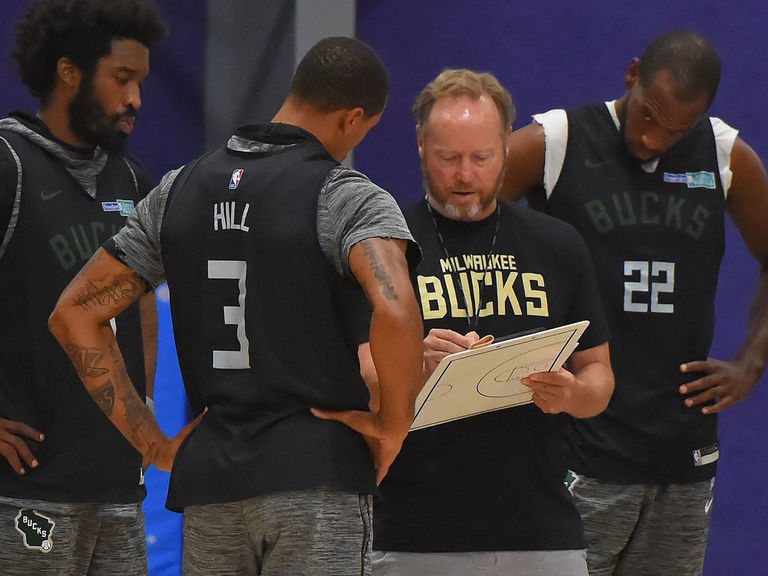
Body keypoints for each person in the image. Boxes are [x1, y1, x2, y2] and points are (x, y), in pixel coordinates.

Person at [49, 36, 424, 576]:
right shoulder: (347, 194)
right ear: (353, 118)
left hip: (212, 485)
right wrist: (393, 426)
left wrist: (152, 443)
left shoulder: (179, 189)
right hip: (316, 479)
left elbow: (74, 314)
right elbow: (395, 309)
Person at [501, 30, 768, 576]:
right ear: (631, 75)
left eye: (677, 131)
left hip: (683, 452)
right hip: (576, 446)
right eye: (649, 117)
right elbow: (452, 222)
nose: (655, 141)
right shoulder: (556, 139)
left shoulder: (724, 155)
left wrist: (752, 361)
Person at [361, 69, 614, 576]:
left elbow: (600, 377)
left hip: (541, 531)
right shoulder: (384, 244)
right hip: (415, 532)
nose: (464, 176)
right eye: (447, 158)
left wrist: (570, 393)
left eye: (482, 158)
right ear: (419, 147)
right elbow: (358, 380)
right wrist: (410, 365)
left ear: (506, 145)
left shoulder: (558, 244)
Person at [0, 0, 166, 574]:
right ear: (69, 71)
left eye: (141, 82)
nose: (136, 101)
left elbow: (143, 307)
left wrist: (140, 416)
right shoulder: (9, 162)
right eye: (122, 80)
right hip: (26, 488)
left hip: (118, 489)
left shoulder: (130, 178)